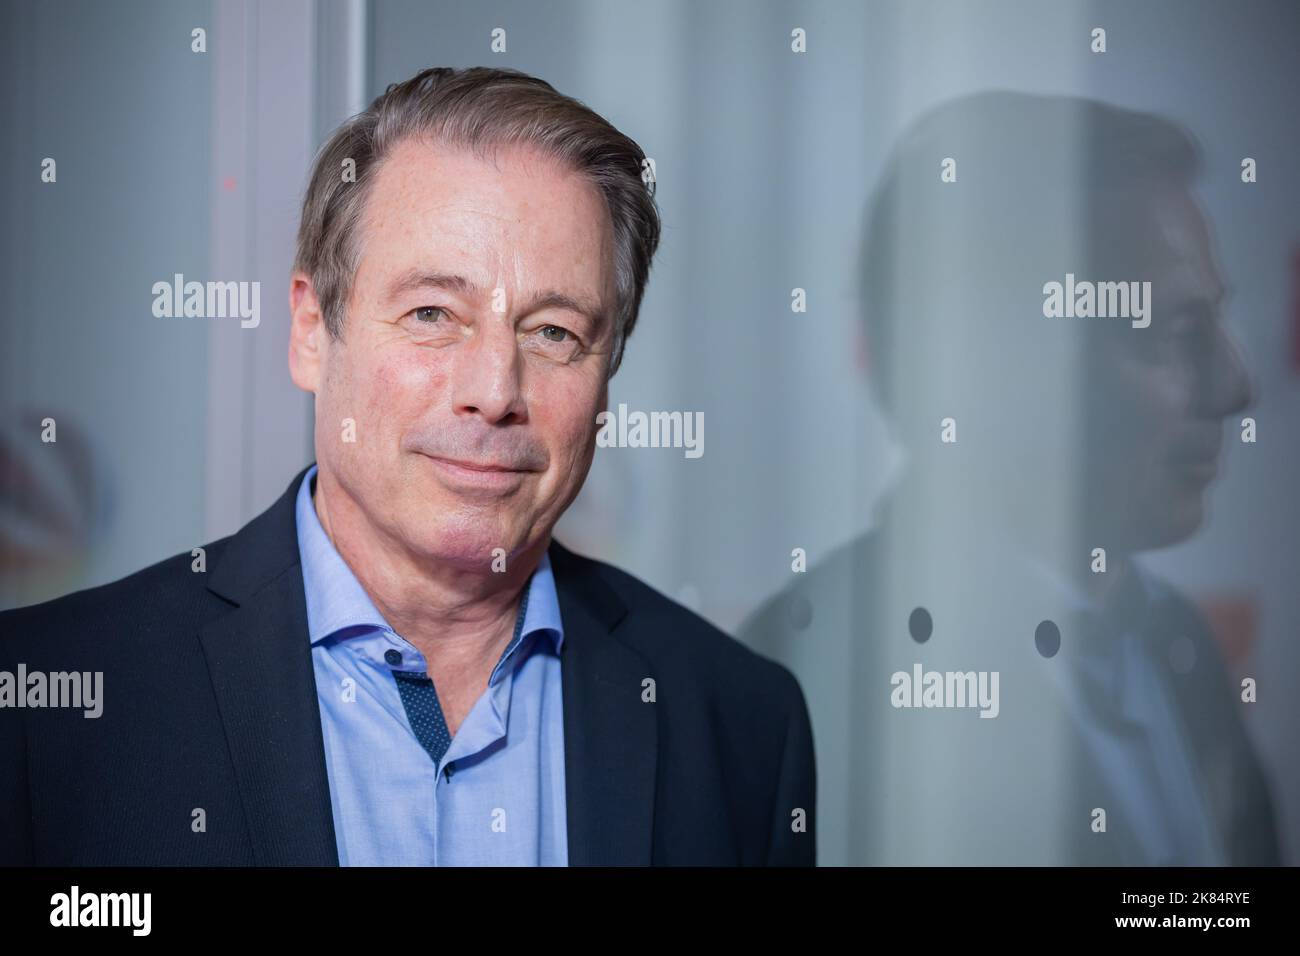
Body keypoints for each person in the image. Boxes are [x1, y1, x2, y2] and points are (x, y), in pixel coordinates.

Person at [0, 67, 814, 866]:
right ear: (312, 331)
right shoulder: (46, 704)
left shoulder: (741, 725)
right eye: (432, 314)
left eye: (555, 333)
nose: (495, 394)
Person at [742, 92, 1279, 865]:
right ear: (991, 367)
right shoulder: (802, 676)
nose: (1235, 385)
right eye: (1175, 333)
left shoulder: (1175, 642)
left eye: (1216, 322)